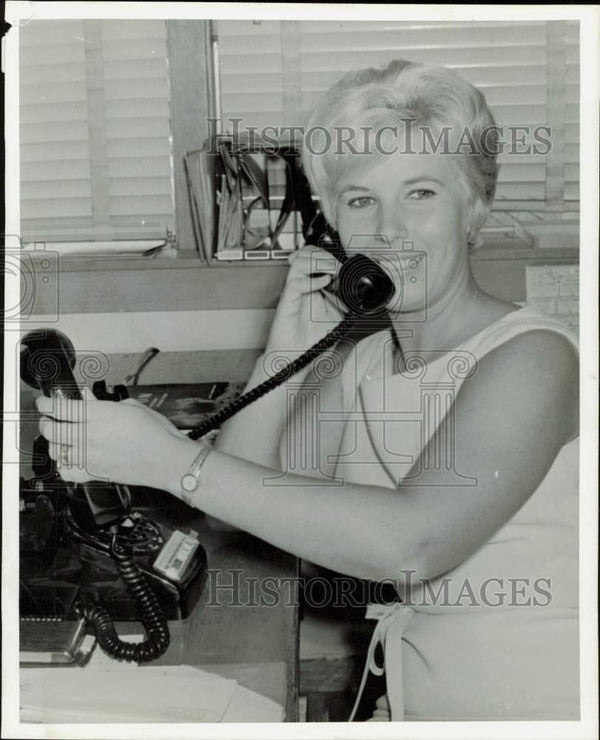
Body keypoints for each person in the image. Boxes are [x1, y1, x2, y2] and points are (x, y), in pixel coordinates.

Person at [36, 60, 579, 721]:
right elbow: (247, 492)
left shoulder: (533, 357)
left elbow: (412, 547)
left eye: (421, 194)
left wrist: (170, 461)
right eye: (360, 201)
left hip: (538, 708)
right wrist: (283, 353)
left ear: (475, 206)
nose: (389, 231)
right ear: (334, 225)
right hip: (420, 701)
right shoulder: (367, 361)